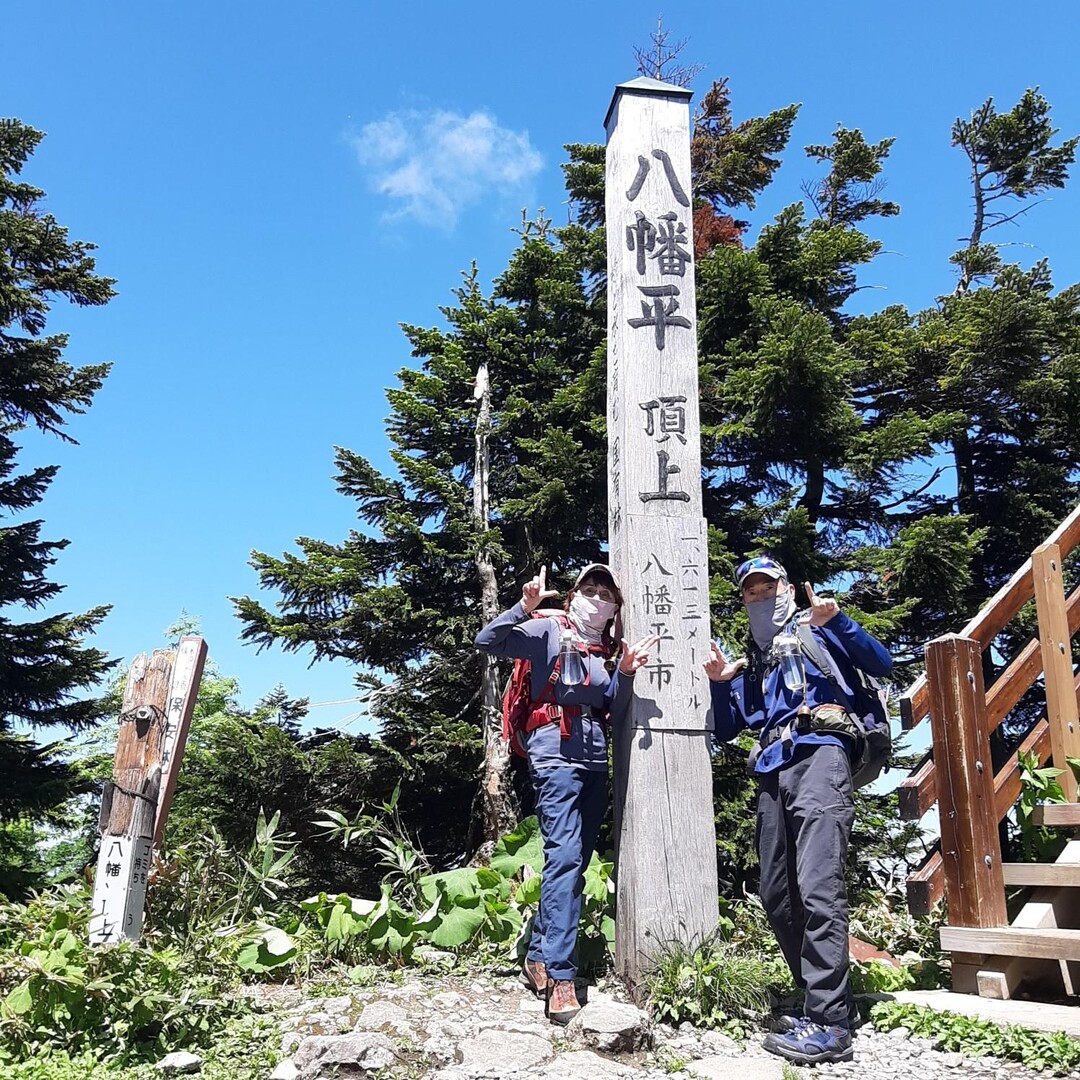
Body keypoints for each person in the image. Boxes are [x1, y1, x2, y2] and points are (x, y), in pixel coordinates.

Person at [704, 555, 892, 1066]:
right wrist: (722, 682)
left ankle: (831, 1023)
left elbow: (882, 663)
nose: (761, 597)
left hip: (821, 755)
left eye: (769, 587)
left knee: (818, 884)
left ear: (787, 588)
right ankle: (817, 999)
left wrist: (839, 622)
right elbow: (727, 727)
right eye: (751, 592)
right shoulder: (757, 659)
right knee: (776, 892)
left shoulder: (818, 631)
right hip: (771, 767)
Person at [475, 563, 657, 1025]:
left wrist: (628, 672)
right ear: (574, 593)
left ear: (615, 606)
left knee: (574, 861)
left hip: (595, 759)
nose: (596, 597)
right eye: (589, 588)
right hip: (553, 752)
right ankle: (560, 977)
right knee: (564, 858)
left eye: (605, 592)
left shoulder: (609, 649)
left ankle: (538, 955)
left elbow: (611, 706)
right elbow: (488, 642)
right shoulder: (548, 632)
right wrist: (524, 606)